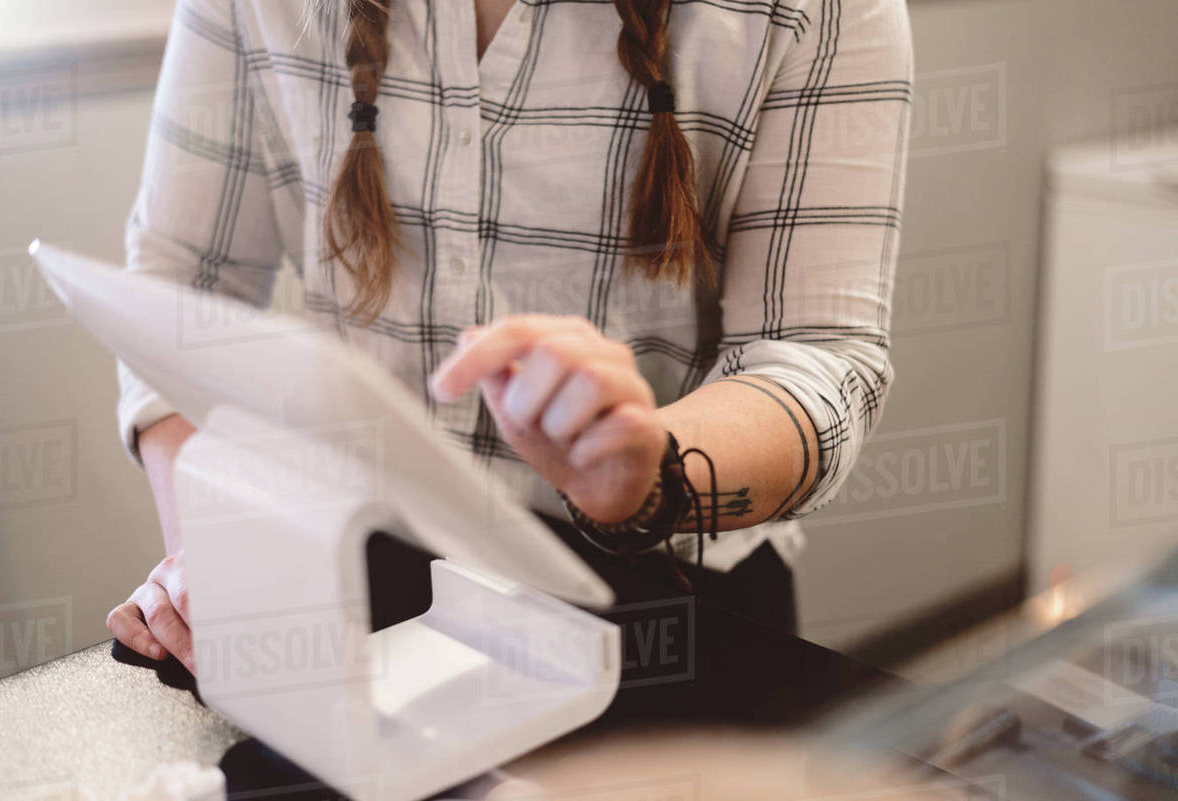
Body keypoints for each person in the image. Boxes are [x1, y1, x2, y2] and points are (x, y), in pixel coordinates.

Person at [107, 0, 913, 677]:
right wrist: (204, 547)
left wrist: (646, 465)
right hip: (355, 580)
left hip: (668, 604)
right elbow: (181, 279)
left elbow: (818, 356)